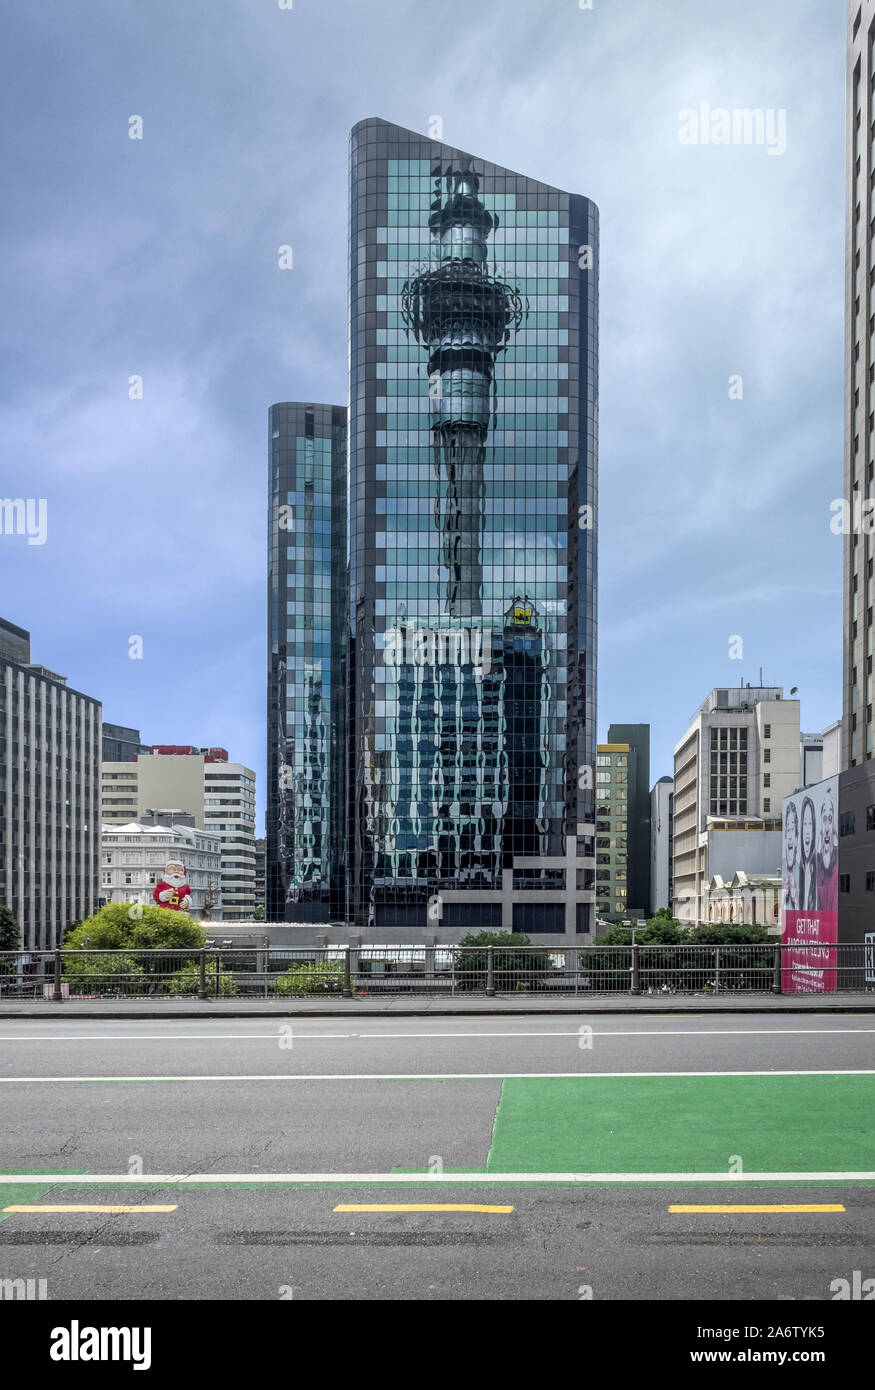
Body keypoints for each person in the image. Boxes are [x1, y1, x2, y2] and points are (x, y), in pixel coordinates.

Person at [817, 787, 838, 914]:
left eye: (830, 819)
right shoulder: (815, 863)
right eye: (824, 819)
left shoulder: (840, 858)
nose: (826, 828)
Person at [798, 796, 818, 910]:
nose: (807, 830)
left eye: (810, 823)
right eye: (804, 823)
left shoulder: (818, 867)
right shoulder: (799, 867)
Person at [783, 800, 800, 910]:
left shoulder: (804, 873)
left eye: (792, 830)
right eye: (788, 830)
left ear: (797, 837)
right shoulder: (784, 878)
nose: (789, 837)